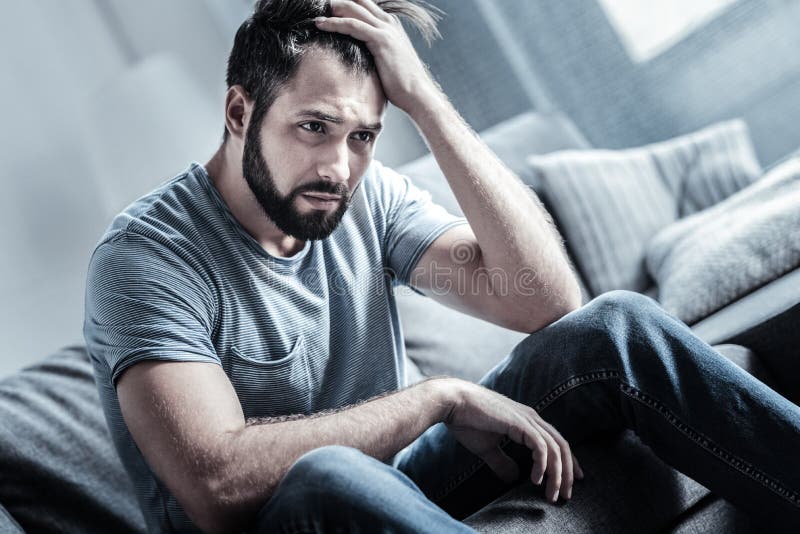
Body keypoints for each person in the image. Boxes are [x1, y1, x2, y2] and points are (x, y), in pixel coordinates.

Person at [83, 0, 800, 532]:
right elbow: (218, 486)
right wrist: (437, 398)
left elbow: (543, 301)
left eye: (363, 135)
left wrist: (425, 101)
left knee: (610, 328)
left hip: (399, 487)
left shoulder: (362, 194)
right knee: (331, 473)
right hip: (297, 519)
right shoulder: (145, 261)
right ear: (240, 112)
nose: (338, 164)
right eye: (313, 127)